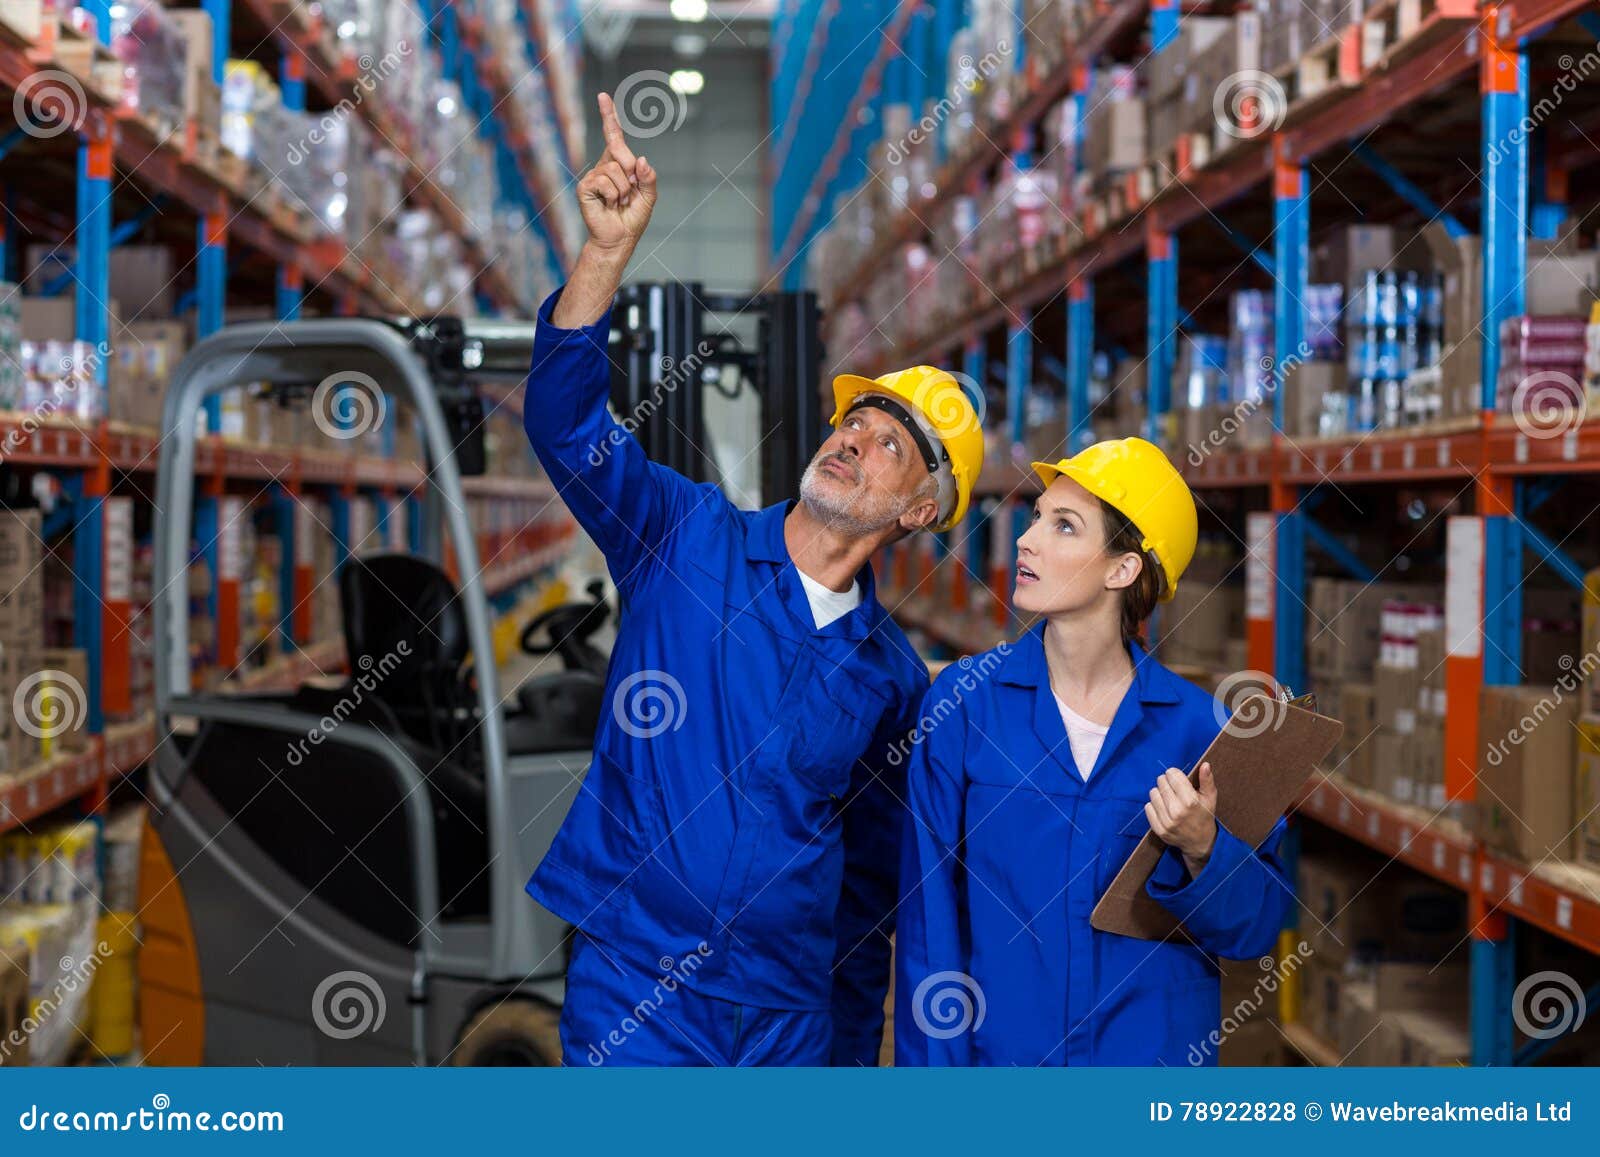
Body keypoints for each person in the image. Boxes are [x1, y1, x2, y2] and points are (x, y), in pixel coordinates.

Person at [522, 92, 985, 1067]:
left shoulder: (889, 677)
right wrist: (603, 255)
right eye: (853, 424)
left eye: (889, 444)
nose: (852, 440)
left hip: (785, 1017)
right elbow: (567, 430)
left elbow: (867, 890)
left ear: (918, 511)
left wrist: (849, 1060)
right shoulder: (683, 537)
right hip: (638, 987)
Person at [894, 437, 1292, 1066]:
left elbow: (1258, 928)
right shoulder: (966, 706)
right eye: (1036, 520)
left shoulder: (1202, 731)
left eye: (1065, 526)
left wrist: (1203, 848)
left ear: (1122, 569)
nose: (1028, 541)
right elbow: (929, 923)